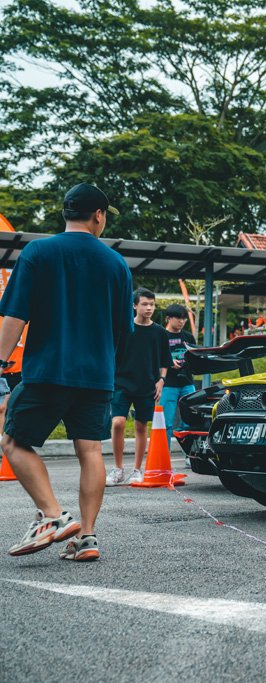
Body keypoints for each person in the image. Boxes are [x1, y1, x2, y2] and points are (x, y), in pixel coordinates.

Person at [0, 182, 133, 561]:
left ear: (66, 213)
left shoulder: (39, 252)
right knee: (90, 451)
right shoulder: (116, 264)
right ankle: (87, 537)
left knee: (12, 441)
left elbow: (15, 314)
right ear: (98, 215)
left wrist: (0, 361)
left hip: (47, 370)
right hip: (96, 375)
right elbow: (123, 329)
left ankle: (53, 516)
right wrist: (110, 368)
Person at [107, 288, 172, 487]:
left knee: (141, 426)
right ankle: (118, 469)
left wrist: (161, 380)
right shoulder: (123, 328)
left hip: (147, 385)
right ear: (135, 305)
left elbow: (164, 361)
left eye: (152, 304)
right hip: (121, 382)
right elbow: (112, 354)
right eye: (144, 304)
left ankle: (137, 470)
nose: (149, 308)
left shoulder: (160, 332)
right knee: (117, 422)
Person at [160, 304, 196, 451]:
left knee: (190, 421)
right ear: (169, 318)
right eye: (178, 318)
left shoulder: (188, 337)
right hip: (168, 384)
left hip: (187, 383)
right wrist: (168, 363)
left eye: (184, 319)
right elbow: (154, 357)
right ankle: (164, 456)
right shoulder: (161, 335)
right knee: (166, 423)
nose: (181, 321)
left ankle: (191, 455)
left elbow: (195, 357)